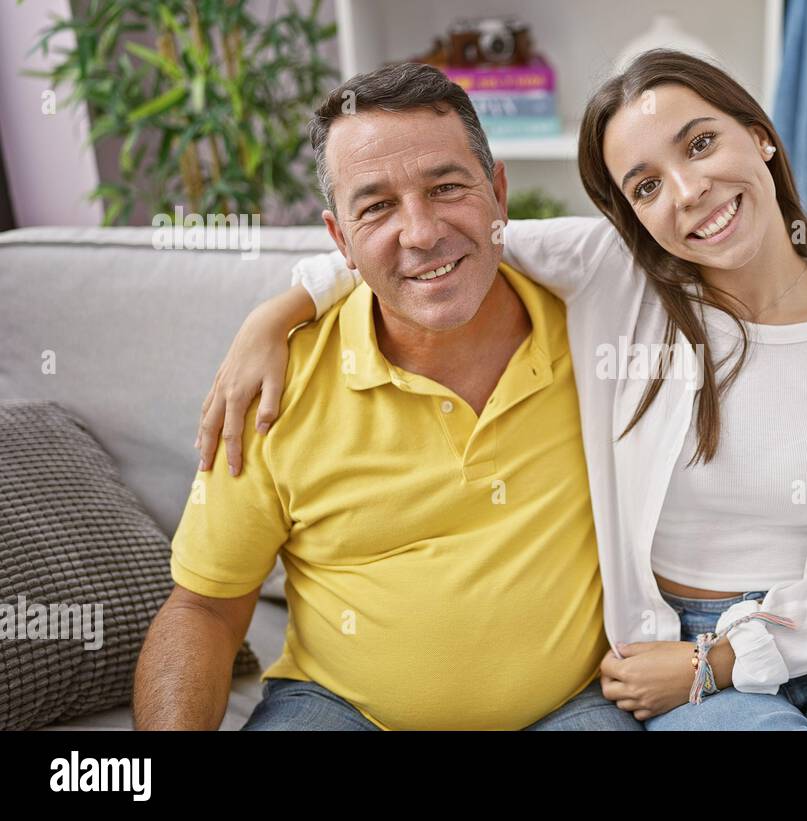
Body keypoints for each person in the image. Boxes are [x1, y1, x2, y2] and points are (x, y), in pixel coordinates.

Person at [197, 50, 807, 730]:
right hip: (678, 644)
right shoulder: (616, 276)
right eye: (645, 185)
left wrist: (729, 658)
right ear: (630, 215)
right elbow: (425, 247)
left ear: (761, 133)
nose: (690, 190)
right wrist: (277, 314)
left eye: (701, 143)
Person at [134, 61, 640, 730]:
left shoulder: (598, 329)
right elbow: (203, 607)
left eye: (446, 186)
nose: (421, 231)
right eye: (376, 207)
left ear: (498, 192)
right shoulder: (272, 382)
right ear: (340, 239)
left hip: (569, 707)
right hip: (337, 708)